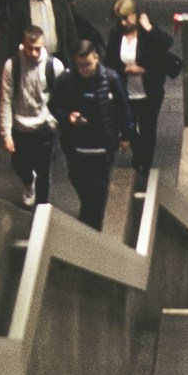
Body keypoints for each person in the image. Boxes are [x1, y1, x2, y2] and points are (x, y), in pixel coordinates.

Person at [108, 0, 179, 200]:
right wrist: (125, 69)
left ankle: (143, 164)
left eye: (126, 18)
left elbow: (167, 43)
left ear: (135, 15)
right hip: (126, 91)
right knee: (128, 126)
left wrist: (148, 28)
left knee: (148, 129)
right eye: (119, 19)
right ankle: (137, 151)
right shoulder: (116, 35)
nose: (122, 23)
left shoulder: (148, 33)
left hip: (149, 91)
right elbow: (110, 62)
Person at [0, 0, 61, 214]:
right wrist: (6, 134)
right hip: (20, 127)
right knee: (19, 164)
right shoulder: (12, 66)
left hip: (43, 128)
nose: (34, 54)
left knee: (44, 172)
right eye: (30, 49)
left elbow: (62, 95)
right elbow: (5, 100)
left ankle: (41, 211)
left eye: (38, 49)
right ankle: (27, 181)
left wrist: (55, 120)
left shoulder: (54, 65)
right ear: (23, 44)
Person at [56, 31, 122, 229]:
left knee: (100, 186)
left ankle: (95, 223)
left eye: (88, 64)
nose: (84, 69)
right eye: (80, 65)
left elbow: (123, 106)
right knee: (77, 178)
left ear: (96, 58)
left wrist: (126, 134)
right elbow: (54, 105)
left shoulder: (110, 78)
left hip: (102, 145)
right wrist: (68, 117)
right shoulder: (66, 80)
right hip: (76, 144)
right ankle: (87, 206)